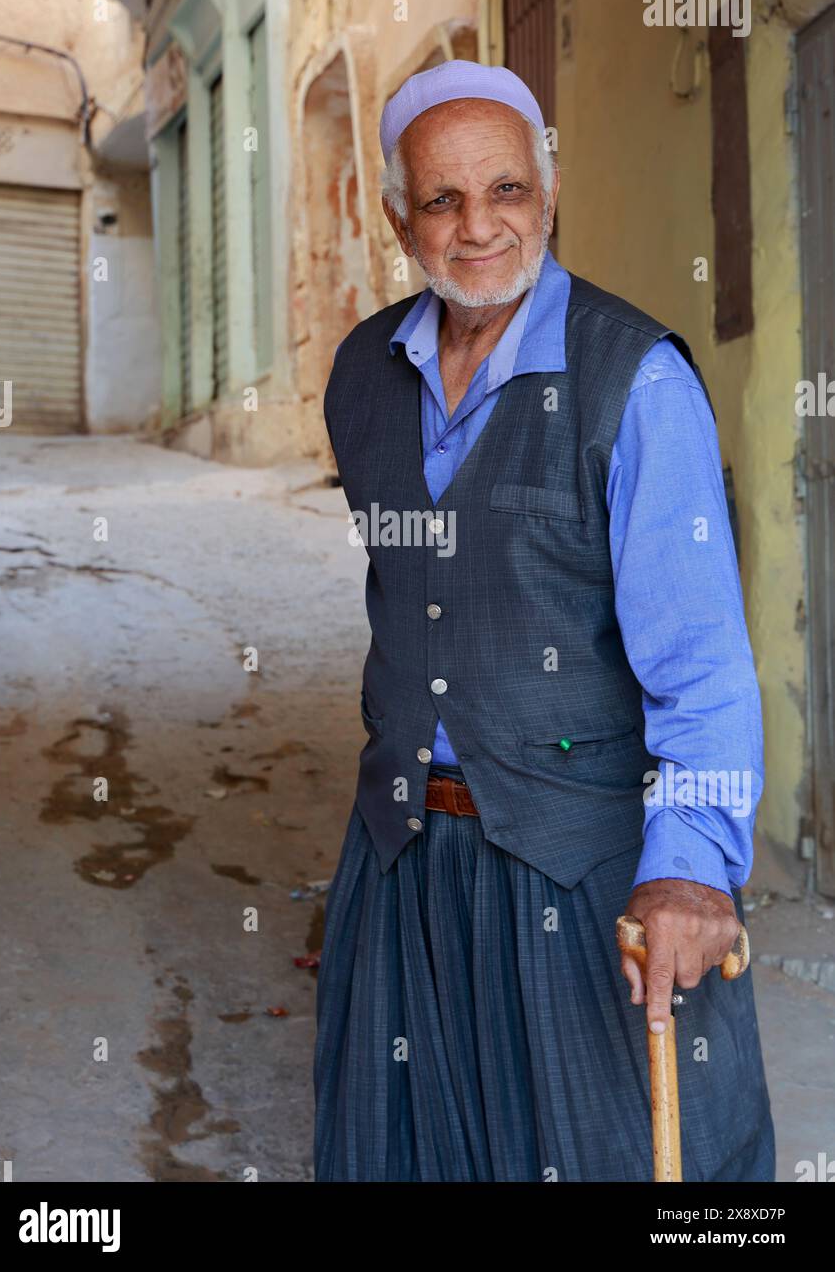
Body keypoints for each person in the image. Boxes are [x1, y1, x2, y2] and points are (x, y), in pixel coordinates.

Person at [313, 59, 775, 1182]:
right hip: (402, 857)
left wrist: (692, 872)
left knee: (617, 1159)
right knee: (399, 1156)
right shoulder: (361, 377)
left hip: (580, 864)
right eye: (441, 200)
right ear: (396, 218)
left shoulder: (636, 384)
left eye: (505, 191)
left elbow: (702, 671)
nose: (477, 228)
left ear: (548, 192)